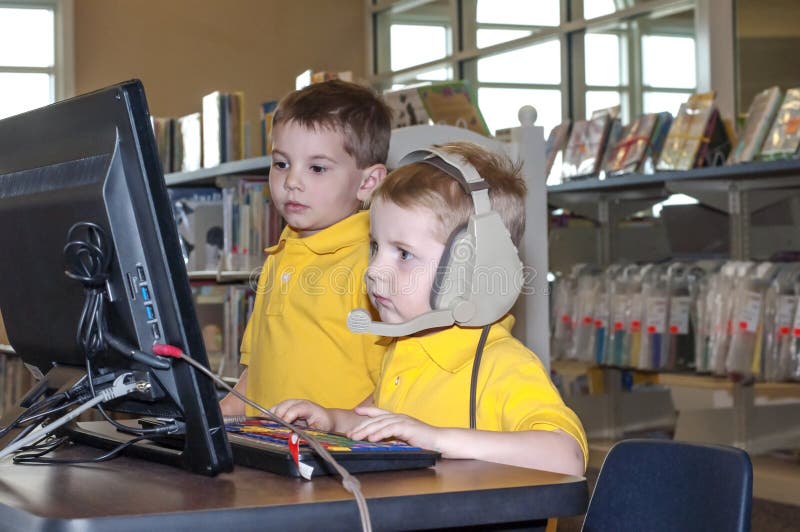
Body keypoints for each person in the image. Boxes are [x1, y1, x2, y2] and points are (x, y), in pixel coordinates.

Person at [273, 142, 587, 475]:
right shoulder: (406, 347)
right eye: (376, 247)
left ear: (472, 272)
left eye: (404, 254)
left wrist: (437, 439)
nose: (374, 270)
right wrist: (332, 419)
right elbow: (379, 425)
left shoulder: (504, 365)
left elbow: (568, 456)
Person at [220, 80, 391, 415]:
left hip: (337, 457)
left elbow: (398, 379)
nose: (292, 181)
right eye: (281, 163)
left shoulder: (375, 266)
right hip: (269, 449)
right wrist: (218, 415)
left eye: (317, 168)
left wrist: (342, 426)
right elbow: (259, 370)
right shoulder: (280, 254)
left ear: (368, 182)